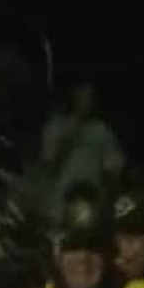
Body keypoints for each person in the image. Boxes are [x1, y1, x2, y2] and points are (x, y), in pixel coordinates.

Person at [37, 82, 125, 223]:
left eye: (89, 96)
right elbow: (49, 165)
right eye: (82, 95)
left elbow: (113, 170)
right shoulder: (55, 127)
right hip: (59, 206)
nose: (86, 100)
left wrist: (105, 199)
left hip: (90, 205)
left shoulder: (102, 132)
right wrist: (71, 136)